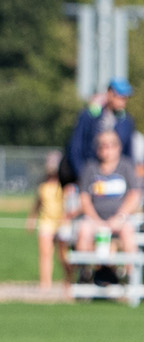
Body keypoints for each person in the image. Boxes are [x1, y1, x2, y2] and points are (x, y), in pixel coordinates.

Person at [74, 129, 139, 259]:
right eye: (102, 145)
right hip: (93, 219)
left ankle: (131, 275)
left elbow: (134, 195)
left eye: (110, 145)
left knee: (128, 233)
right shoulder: (90, 168)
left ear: (118, 147)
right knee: (84, 231)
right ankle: (86, 274)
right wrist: (96, 221)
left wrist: (119, 217)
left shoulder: (126, 166)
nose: (106, 150)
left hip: (120, 220)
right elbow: (84, 199)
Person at [66, 80, 134, 182]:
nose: (123, 101)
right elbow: (76, 147)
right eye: (120, 97)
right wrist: (82, 176)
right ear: (110, 94)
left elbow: (128, 152)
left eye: (125, 98)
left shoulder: (126, 121)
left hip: (116, 179)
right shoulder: (90, 116)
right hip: (91, 175)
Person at [27, 150, 68, 289]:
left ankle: (67, 281)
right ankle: (45, 284)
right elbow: (37, 204)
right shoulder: (42, 184)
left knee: (63, 255)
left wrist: (66, 218)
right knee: (45, 253)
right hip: (46, 222)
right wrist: (31, 219)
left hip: (62, 222)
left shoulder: (65, 183)